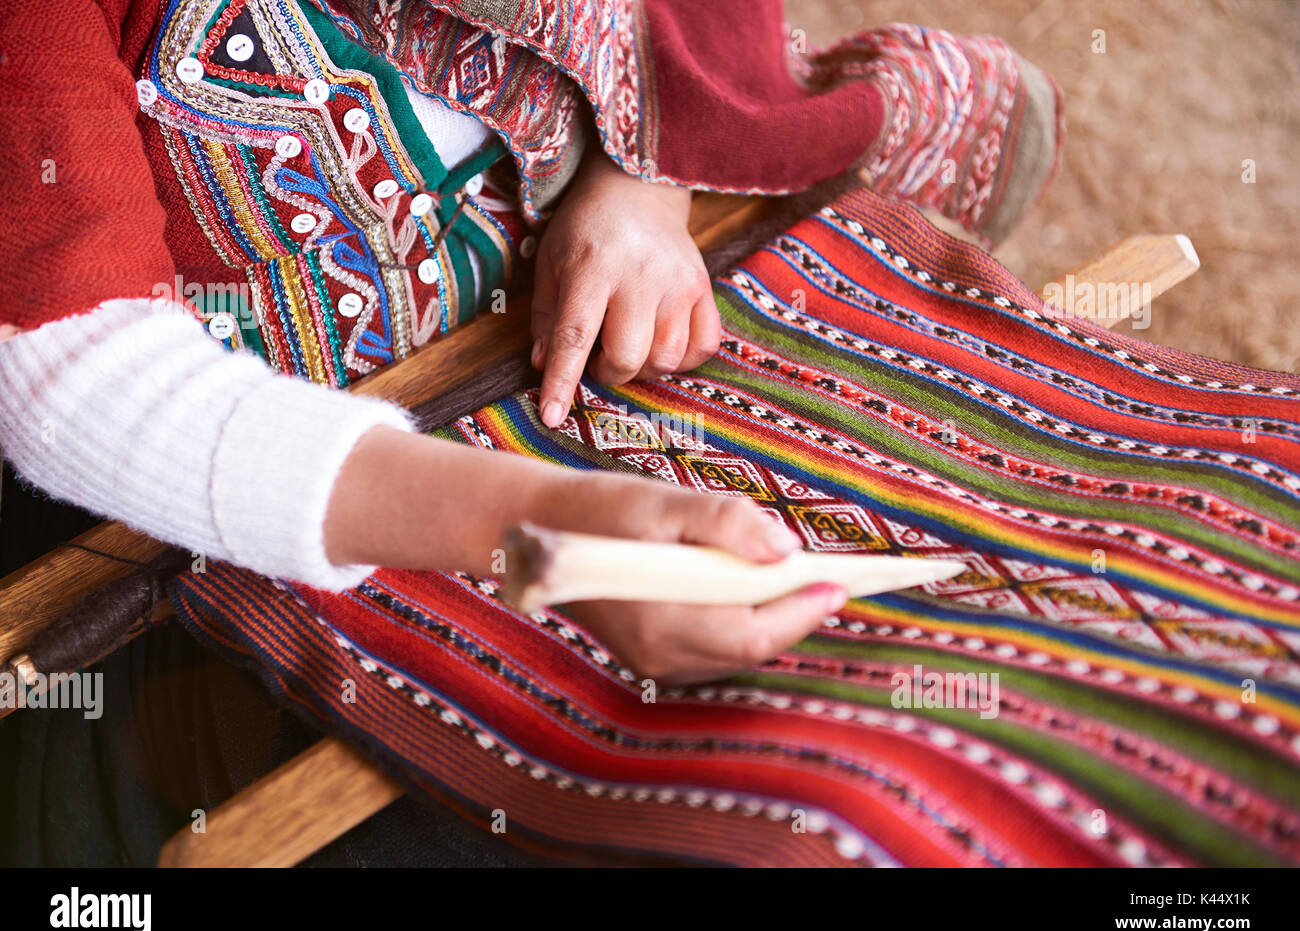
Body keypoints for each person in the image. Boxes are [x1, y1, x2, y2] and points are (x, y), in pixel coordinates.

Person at [0, 0, 1062, 863]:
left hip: (541, 342)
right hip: (237, 497)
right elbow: (78, 370)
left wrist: (642, 181)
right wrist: (541, 530)